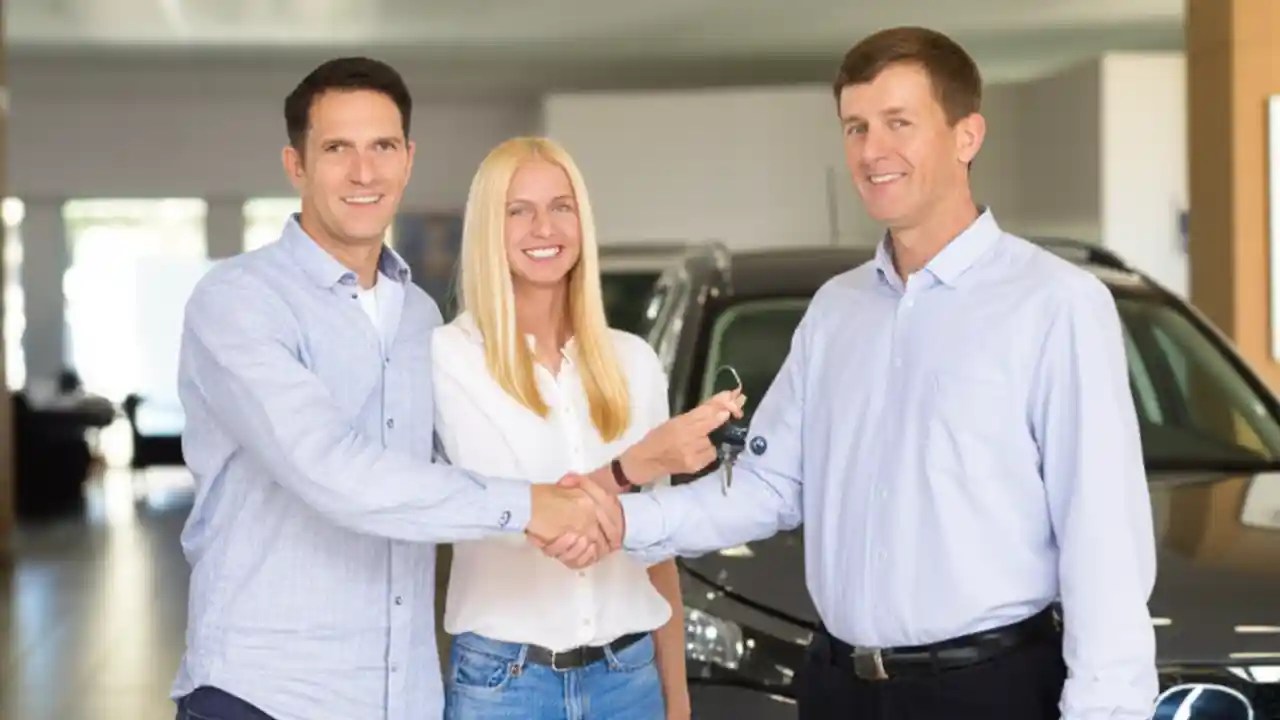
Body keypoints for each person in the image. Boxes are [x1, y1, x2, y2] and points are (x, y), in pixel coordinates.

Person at [554, 26, 1160, 720]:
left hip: (990, 691)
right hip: (837, 688)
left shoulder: (1057, 304)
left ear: (967, 136)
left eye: (899, 123)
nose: (872, 151)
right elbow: (768, 487)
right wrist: (613, 519)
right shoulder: (836, 311)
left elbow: (1103, 542)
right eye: (855, 127)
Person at [170, 57, 736, 720]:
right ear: (296, 165)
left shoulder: (418, 321)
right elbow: (332, 472)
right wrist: (539, 506)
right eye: (336, 149)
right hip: (266, 694)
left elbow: (448, 492)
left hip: (399, 696)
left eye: (382, 147)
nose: (363, 172)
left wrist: (612, 482)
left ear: (407, 160)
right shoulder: (240, 303)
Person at [431, 137, 707, 720]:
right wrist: (633, 470)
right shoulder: (446, 360)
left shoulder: (633, 362)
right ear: (488, 228)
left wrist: (677, 700)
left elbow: (658, 550)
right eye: (518, 210)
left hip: (629, 680)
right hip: (504, 685)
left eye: (561, 205)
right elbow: (512, 516)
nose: (543, 226)